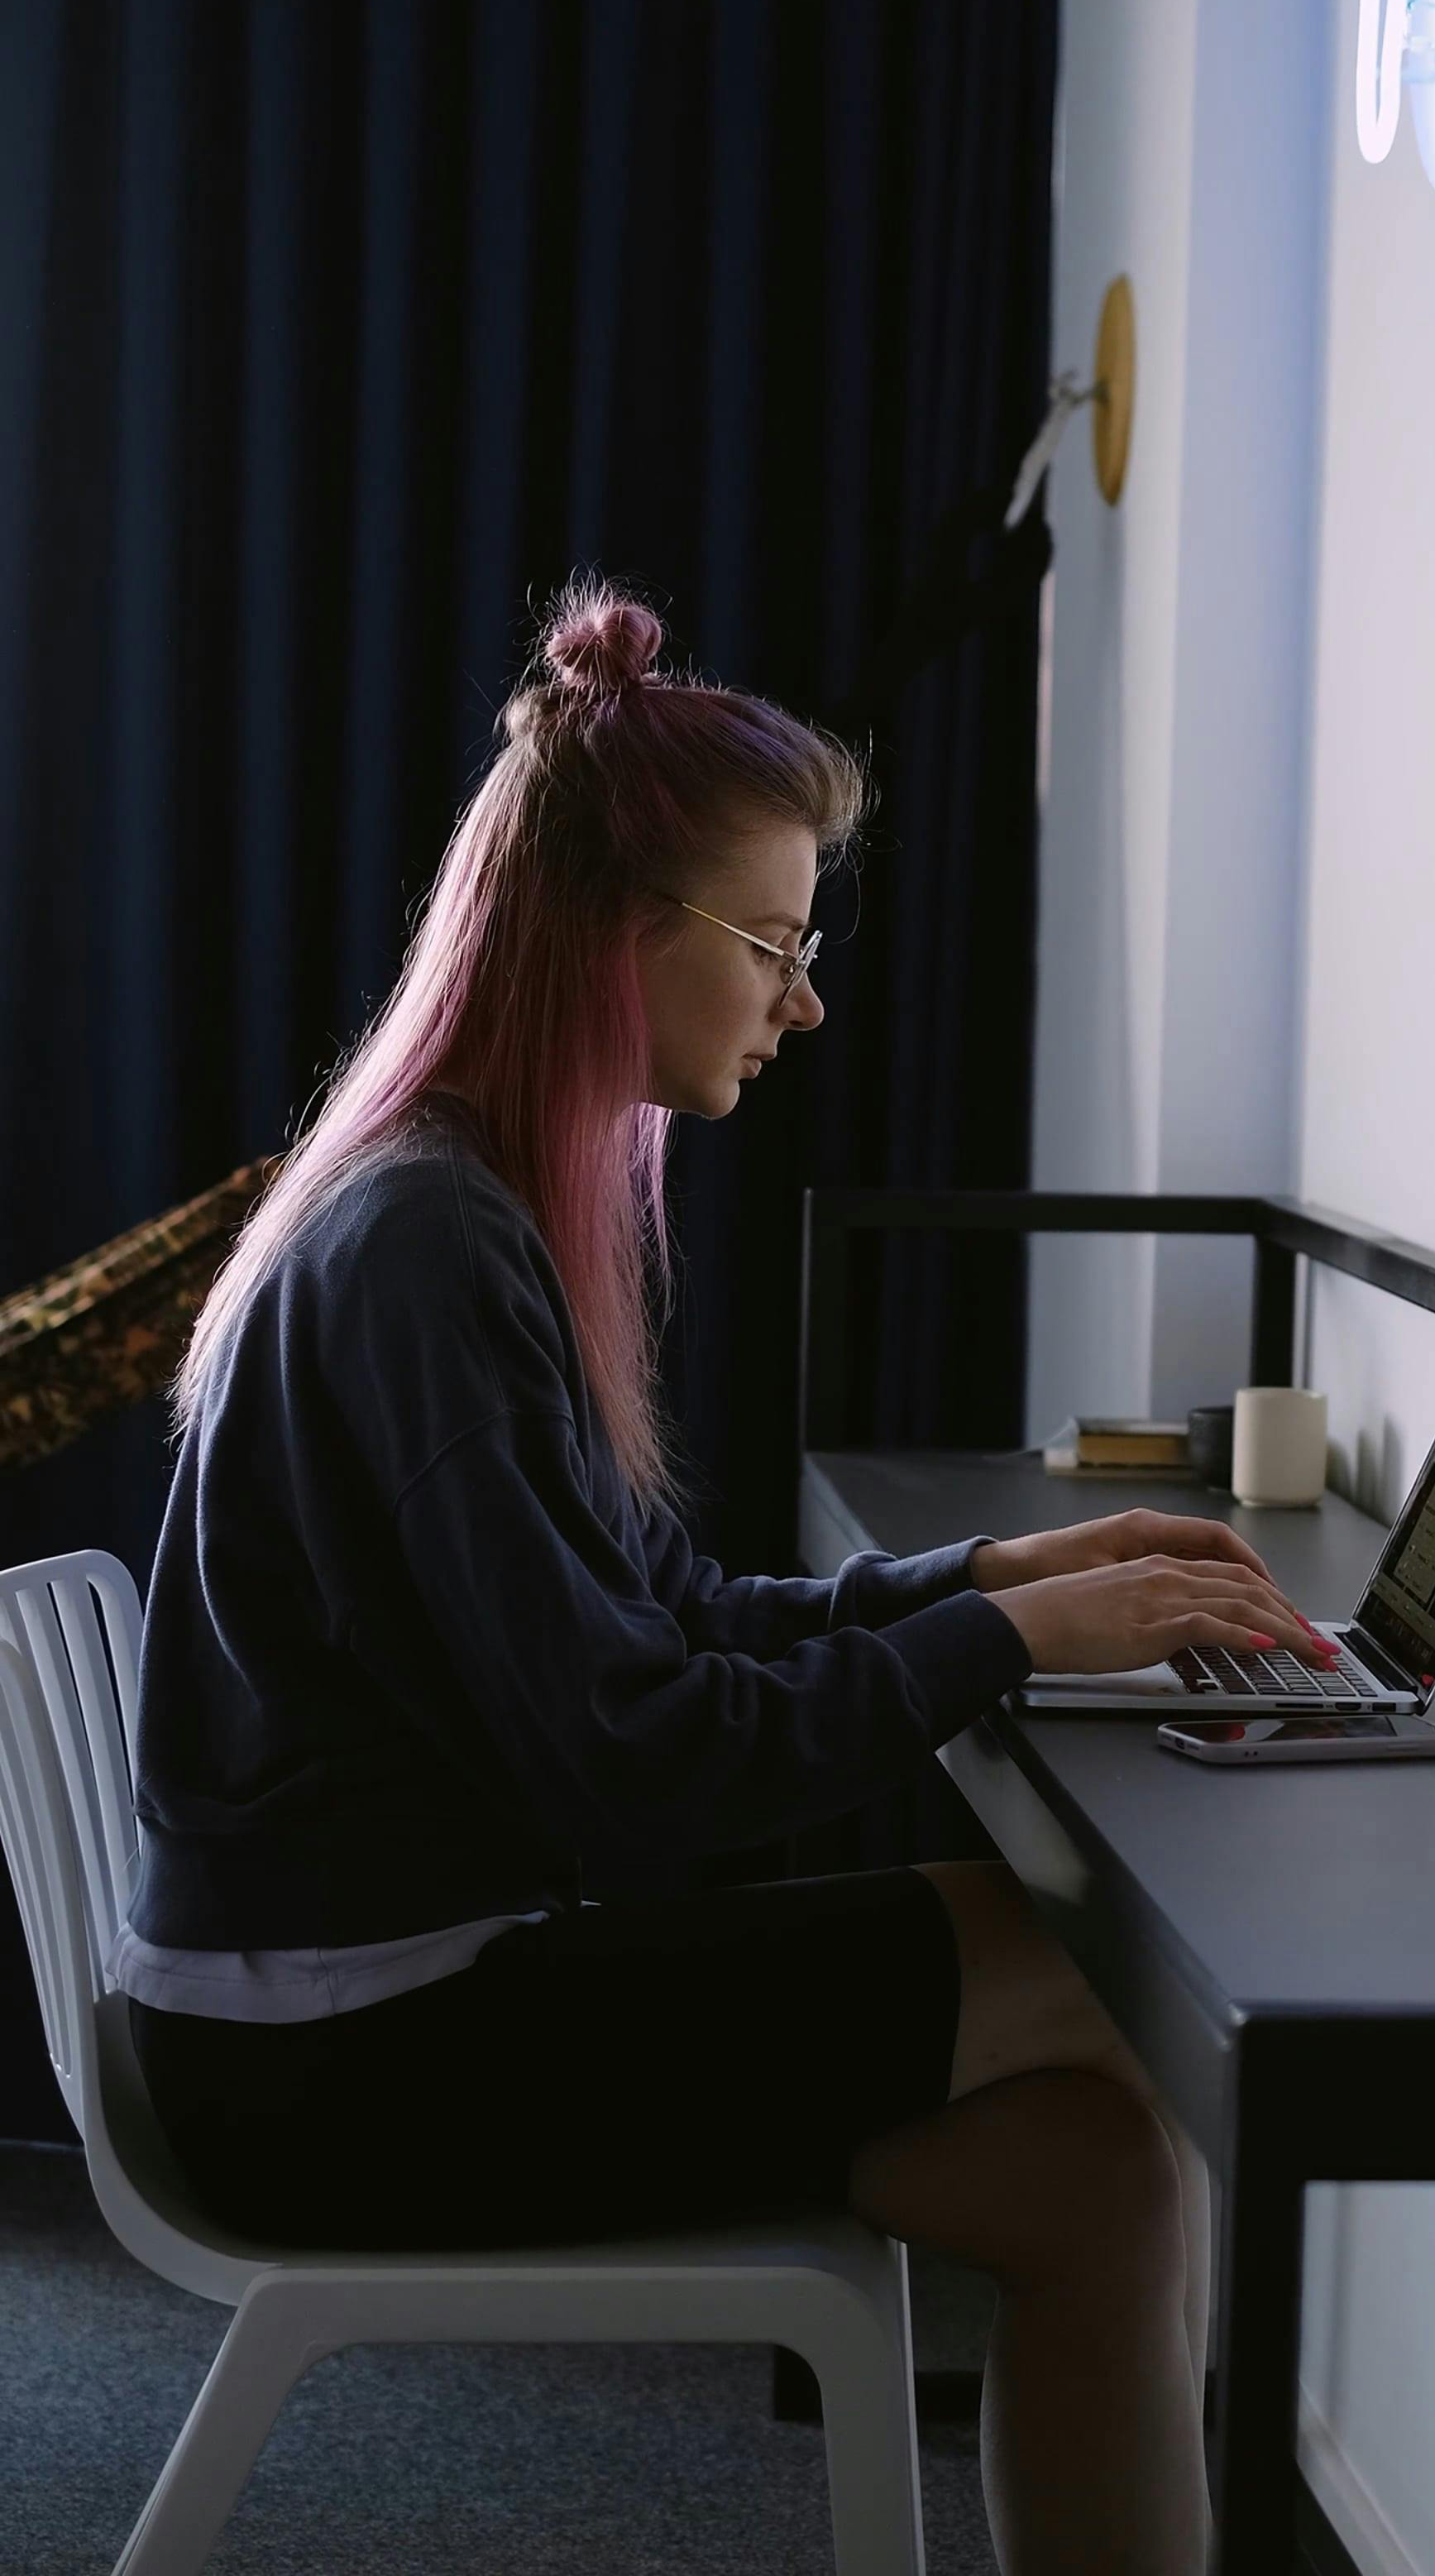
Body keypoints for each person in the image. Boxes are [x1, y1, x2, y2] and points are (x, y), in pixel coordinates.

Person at [118, 573, 1331, 2576]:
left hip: (337, 2002)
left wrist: (1004, 1567)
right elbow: (644, 1763)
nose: (807, 998)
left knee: (1097, 2172)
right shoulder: (431, 1250)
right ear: (612, 938)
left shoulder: (461, 1208)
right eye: (773, 941)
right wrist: (1006, 1636)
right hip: (334, 2061)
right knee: (1091, 1974)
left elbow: (658, 1621)